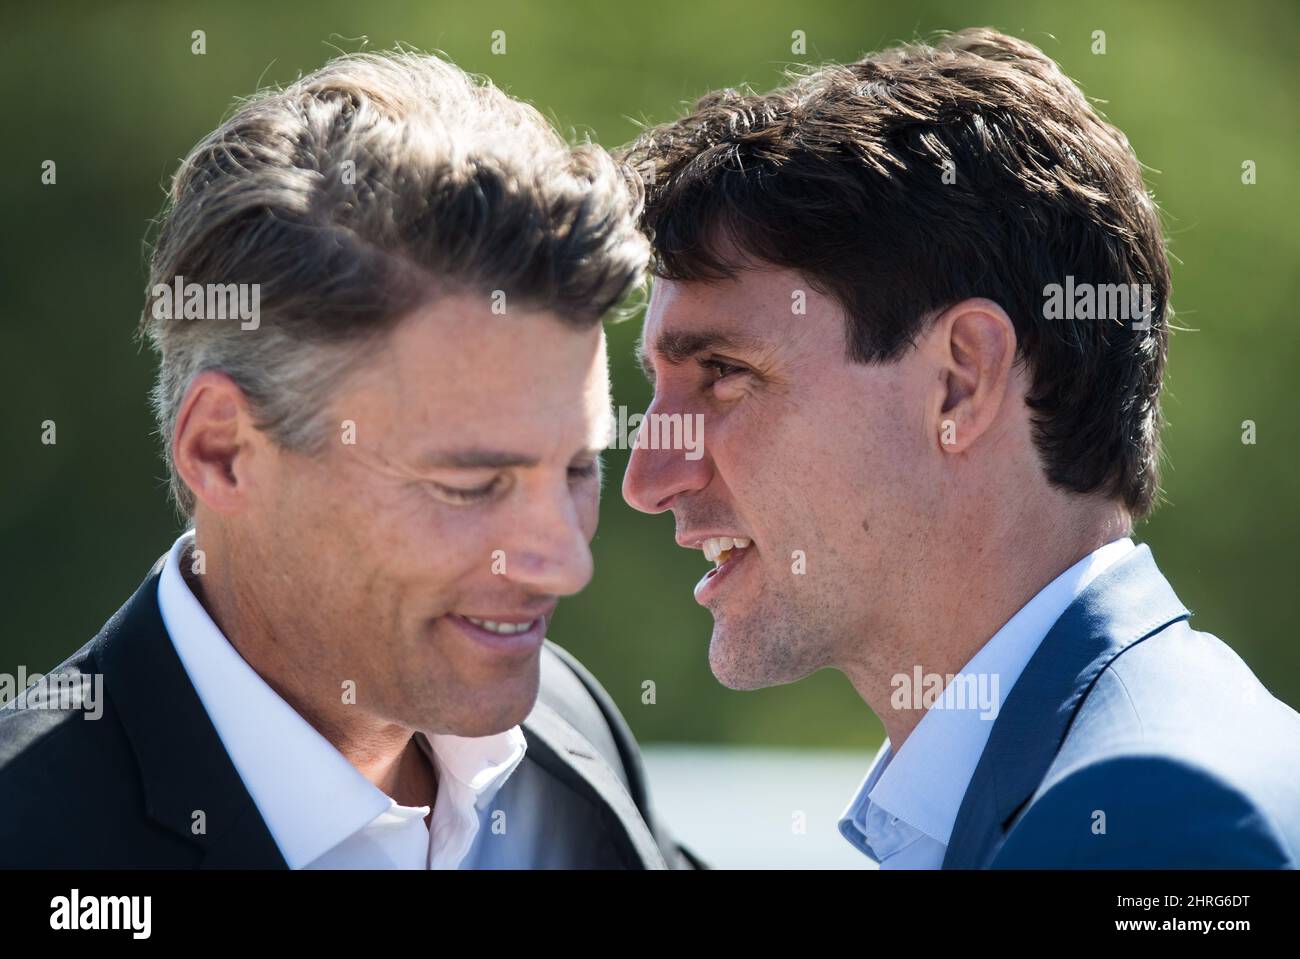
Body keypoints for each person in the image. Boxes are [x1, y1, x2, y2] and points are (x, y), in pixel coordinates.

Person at [620, 27, 1300, 868]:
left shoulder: (1155, 822)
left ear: (962, 381)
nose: (647, 477)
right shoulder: (1107, 780)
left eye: (723, 371)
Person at [0, 50, 695, 870]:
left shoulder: (571, 738)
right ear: (221, 448)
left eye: (579, 469)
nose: (565, 564)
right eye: (471, 484)